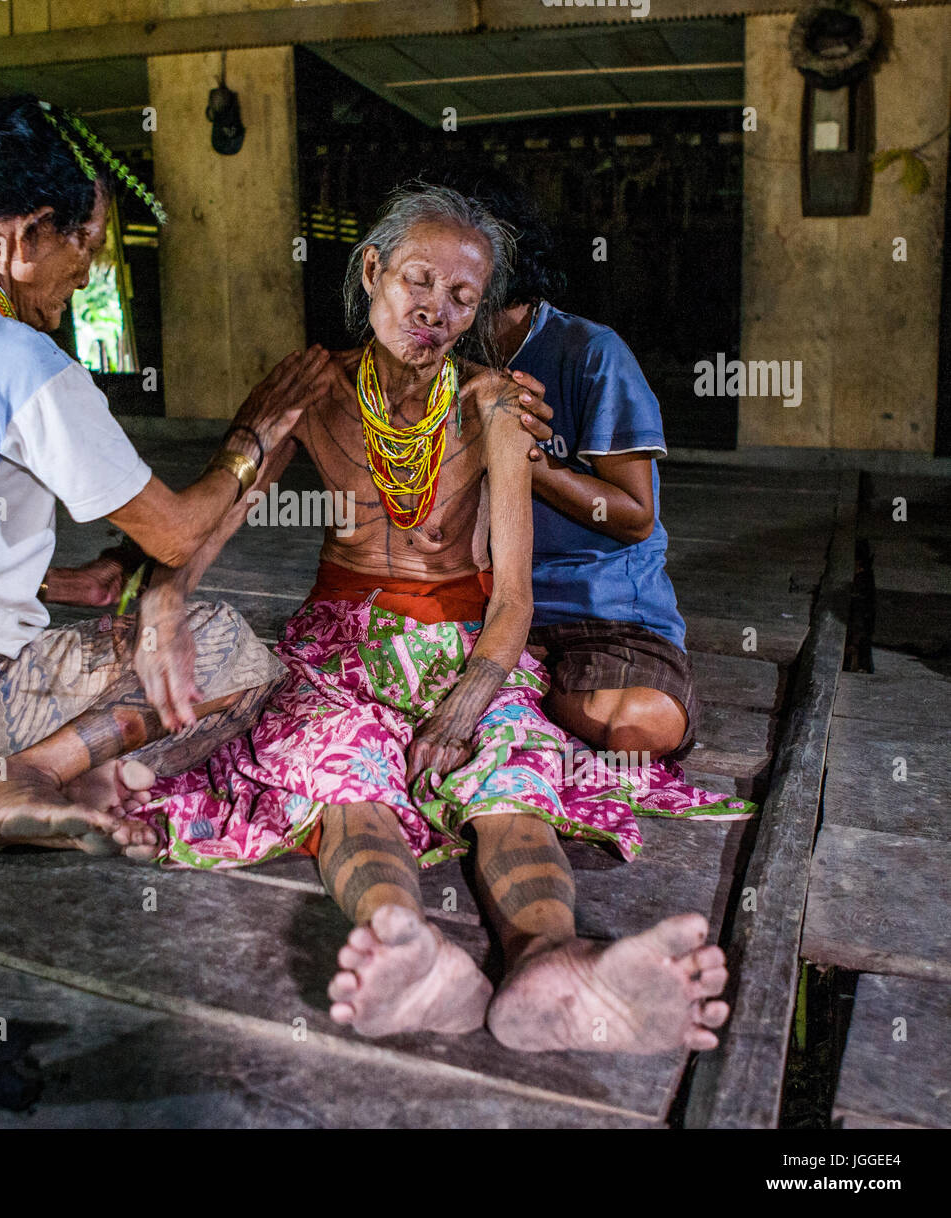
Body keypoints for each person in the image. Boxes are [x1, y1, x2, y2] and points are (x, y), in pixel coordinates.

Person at [125, 184, 750, 1053]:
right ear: (372, 270)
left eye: (462, 296)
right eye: (419, 279)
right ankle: (404, 944)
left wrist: (465, 708)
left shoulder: (495, 403)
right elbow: (215, 517)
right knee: (348, 780)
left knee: (510, 780)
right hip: (340, 643)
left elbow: (515, 599)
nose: (436, 309)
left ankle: (552, 962)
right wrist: (166, 593)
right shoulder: (310, 387)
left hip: (466, 644)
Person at [0, 95, 331, 857]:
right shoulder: (20, 361)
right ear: (28, 234)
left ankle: (43, 780)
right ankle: (25, 776)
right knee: (226, 647)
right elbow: (175, 531)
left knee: (138, 632)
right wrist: (251, 440)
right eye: (88, 243)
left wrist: (58, 583)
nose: (87, 271)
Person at [474, 174, 700, 768]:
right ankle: (526, 690)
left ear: (501, 266)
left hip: (594, 614)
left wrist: (530, 463)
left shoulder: (591, 353)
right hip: (480, 604)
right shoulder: (442, 356)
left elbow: (633, 517)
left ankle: (530, 690)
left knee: (641, 723)